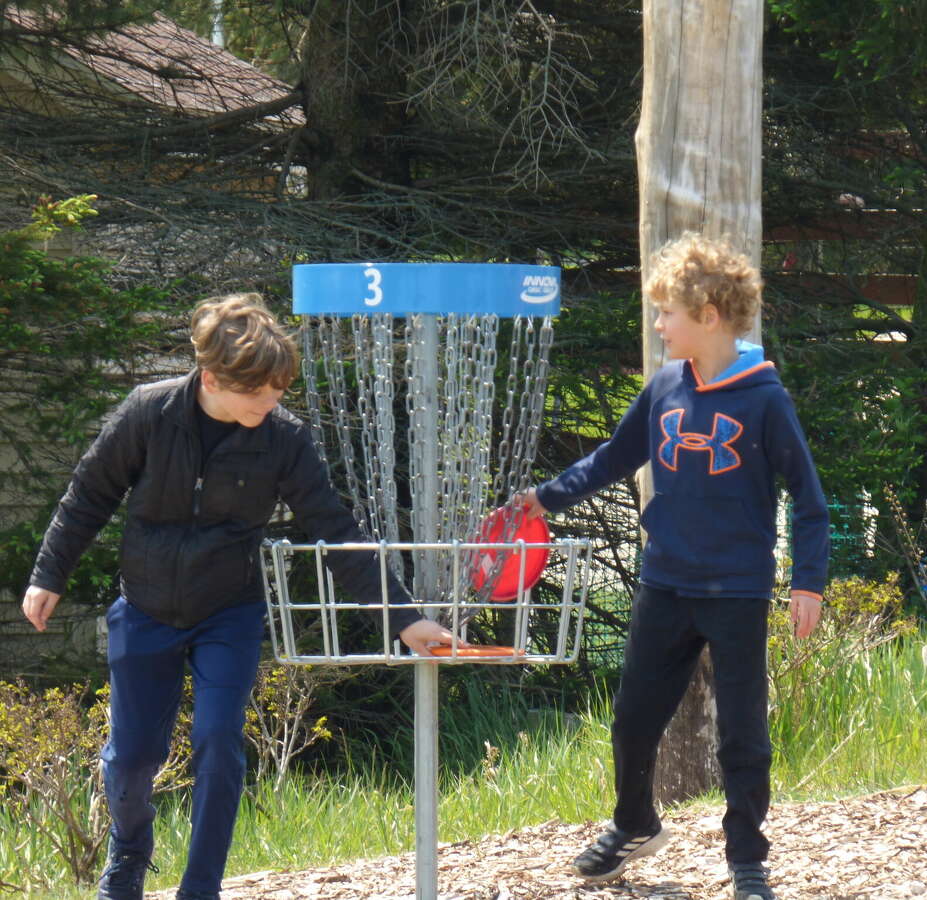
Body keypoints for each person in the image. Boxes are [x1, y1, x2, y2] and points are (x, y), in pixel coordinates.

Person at [22, 294, 453, 900]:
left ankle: (201, 889)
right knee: (132, 761)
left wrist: (403, 618)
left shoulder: (284, 439)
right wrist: (49, 575)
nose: (271, 403)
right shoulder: (148, 413)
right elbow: (89, 494)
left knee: (219, 742)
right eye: (259, 395)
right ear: (213, 378)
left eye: (278, 392)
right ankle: (129, 853)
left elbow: (335, 530)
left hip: (230, 611)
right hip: (144, 609)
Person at [518, 234, 830, 900]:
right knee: (632, 720)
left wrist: (809, 581)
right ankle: (635, 822)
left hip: (738, 590)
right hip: (665, 583)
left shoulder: (764, 400)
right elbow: (611, 458)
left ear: (710, 315)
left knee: (742, 735)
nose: (658, 326)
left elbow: (809, 499)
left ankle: (747, 860)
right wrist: (542, 497)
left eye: (667, 313)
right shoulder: (663, 386)